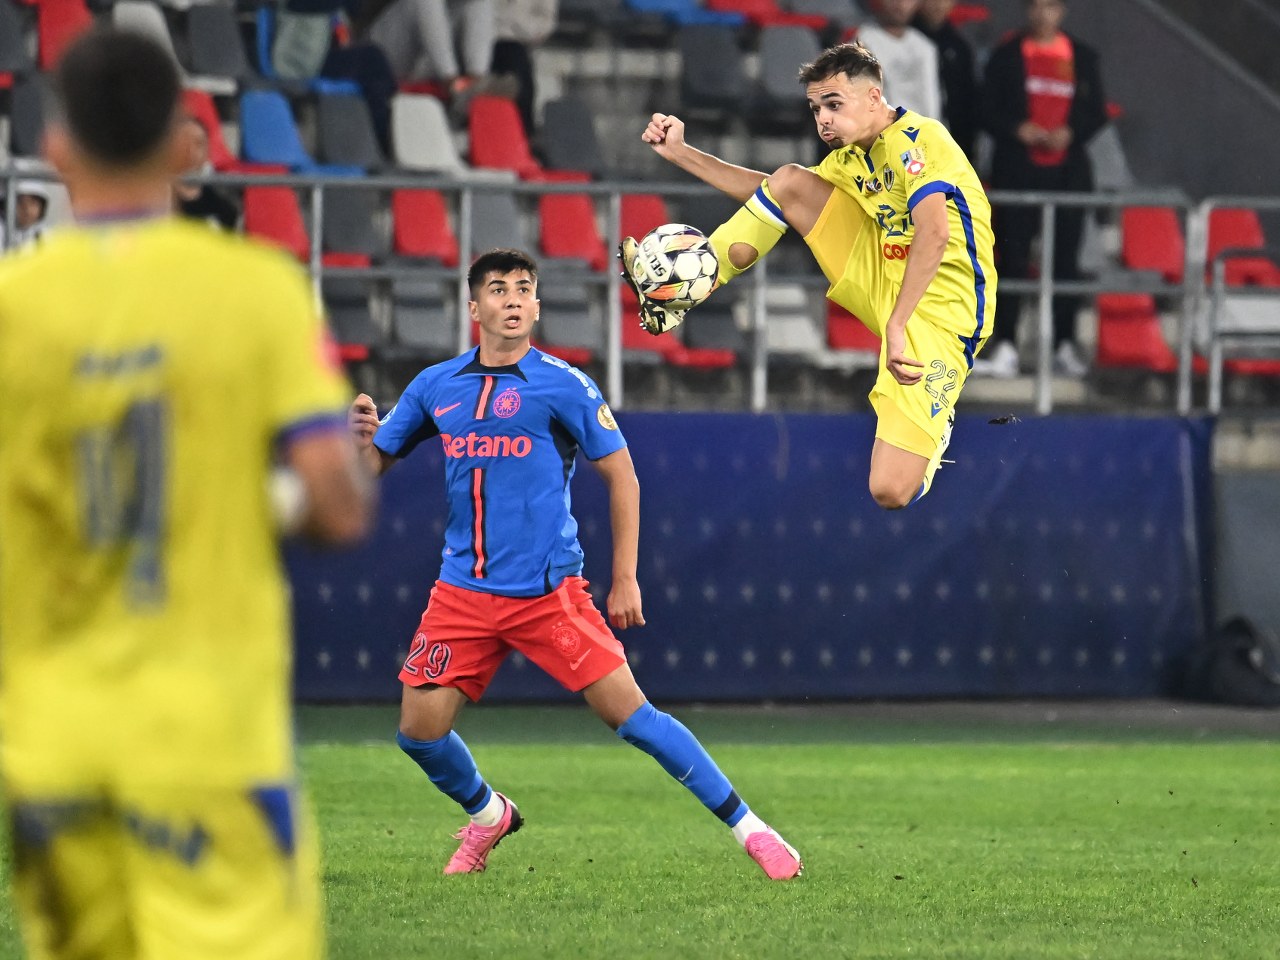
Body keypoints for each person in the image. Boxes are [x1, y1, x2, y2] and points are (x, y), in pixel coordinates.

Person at [0, 27, 375, 960]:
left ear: (54, 148)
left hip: (51, 745)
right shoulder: (256, 289)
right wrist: (243, 497)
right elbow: (338, 506)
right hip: (209, 739)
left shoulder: (14, 305)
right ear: (181, 143)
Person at [347, 248, 803, 881]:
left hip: (546, 594)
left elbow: (622, 477)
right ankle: (487, 816)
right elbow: (370, 471)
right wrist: (362, 444)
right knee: (417, 735)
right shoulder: (434, 385)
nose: (512, 299)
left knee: (634, 719)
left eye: (524, 289)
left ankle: (754, 832)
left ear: (536, 306)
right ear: (473, 306)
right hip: (462, 595)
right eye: (498, 289)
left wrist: (624, 577)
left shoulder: (563, 383)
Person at [621, 41, 996, 509]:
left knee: (890, 490)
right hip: (883, 273)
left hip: (942, 311)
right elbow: (773, 193)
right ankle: (686, 286)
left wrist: (898, 324)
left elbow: (935, 233)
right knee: (790, 182)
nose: (823, 119)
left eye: (834, 105)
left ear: (874, 98)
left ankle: (933, 437)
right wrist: (681, 154)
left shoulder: (920, 141)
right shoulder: (849, 159)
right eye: (816, 108)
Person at [979, 0, 1107, 379]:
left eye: (1050, 6)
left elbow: (1095, 110)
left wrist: (1071, 132)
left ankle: (1064, 345)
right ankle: (1005, 344)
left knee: (1064, 262)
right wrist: (1018, 129)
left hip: (1066, 175)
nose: (1042, 14)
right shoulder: (1006, 56)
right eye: (1035, 6)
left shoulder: (1082, 57)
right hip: (1018, 172)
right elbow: (986, 109)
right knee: (1013, 260)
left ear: (1062, 11)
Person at [856, 0, 942, 121]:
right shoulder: (862, 45)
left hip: (924, 132)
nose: (900, 4)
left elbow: (932, 99)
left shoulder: (925, 46)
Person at [912, 0, 978, 159]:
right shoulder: (904, 41)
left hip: (953, 139)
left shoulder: (960, 46)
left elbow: (968, 102)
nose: (937, 4)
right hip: (910, 135)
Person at [174, 115, 240, 230]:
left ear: (207, 152)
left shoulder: (224, 209)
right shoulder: (153, 205)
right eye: (185, 143)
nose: (191, 151)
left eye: (198, 144)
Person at [0, 179, 51, 250]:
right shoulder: (2, 231)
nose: (27, 210)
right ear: (4, 205)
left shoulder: (45, 235)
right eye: (20, 202)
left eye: (33, 203)